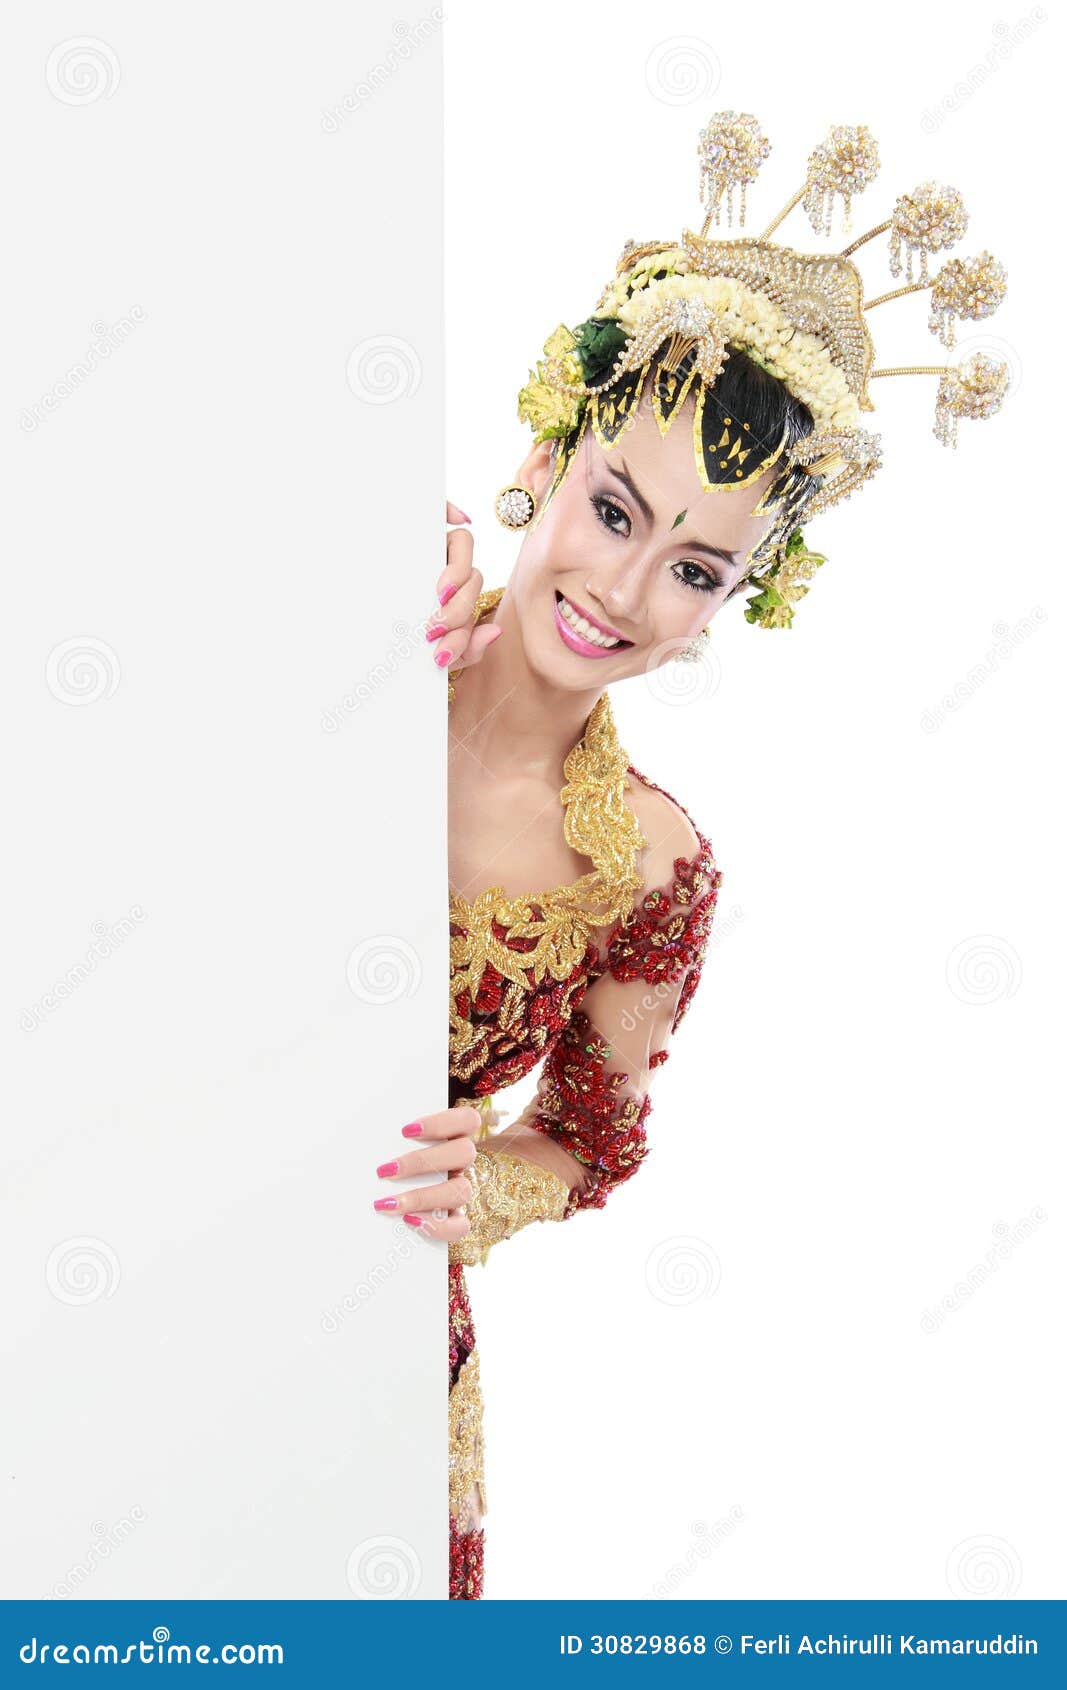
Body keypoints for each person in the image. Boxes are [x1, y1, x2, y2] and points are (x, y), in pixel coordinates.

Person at [371, 112, 1010, 1600]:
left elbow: (589, 1138)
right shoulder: (368, 602)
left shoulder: (656, 868)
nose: (626, 592)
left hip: (377, 1345)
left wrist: (489, 1186)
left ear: (737, 597)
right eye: (613, 511)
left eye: (698, 568)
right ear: (548, 455)